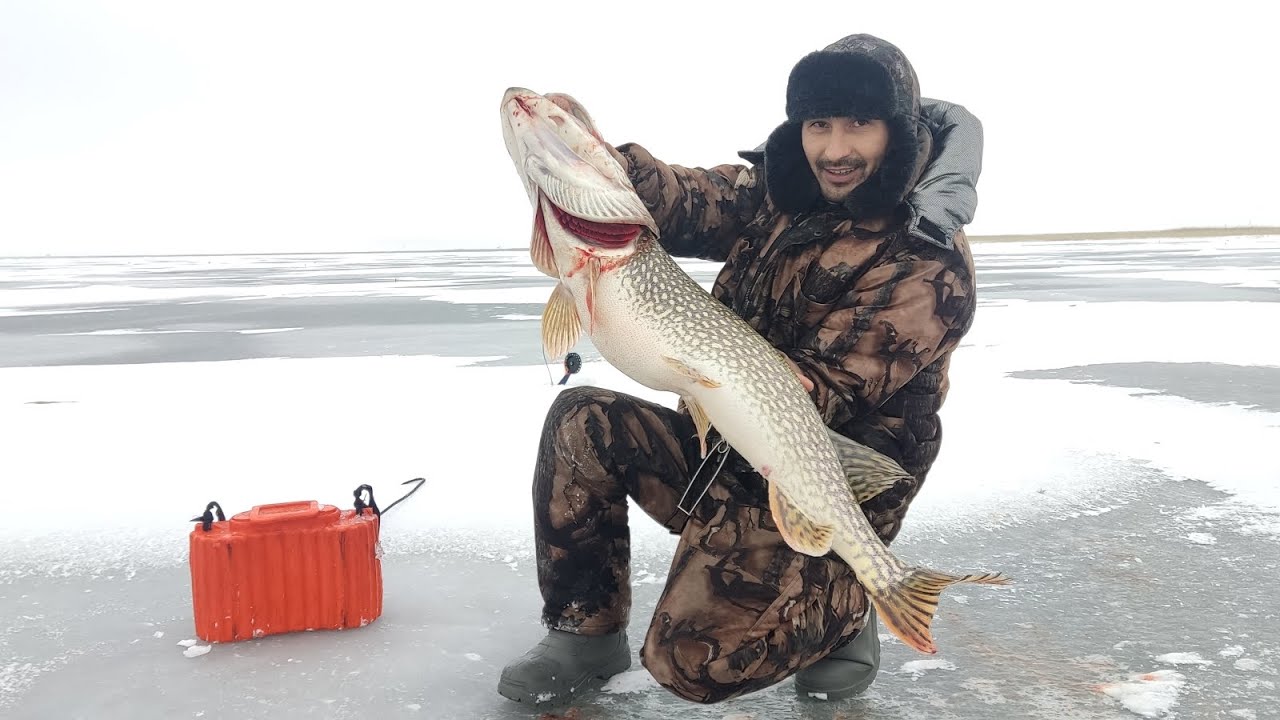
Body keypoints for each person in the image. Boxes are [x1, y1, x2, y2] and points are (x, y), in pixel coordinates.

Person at [497, 33, 983, 706]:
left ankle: (842, 603)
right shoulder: (776, 191)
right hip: (729, 441)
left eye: (859, 124)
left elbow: (821, 390)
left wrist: (722, 371)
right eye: (819, 124)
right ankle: (586, 631)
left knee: (691, 663)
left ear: (895, 130)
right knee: (582, 421)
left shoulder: (926, 259)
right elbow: (682, 199)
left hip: (825, 474)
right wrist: (602, 160)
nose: (835, 149)